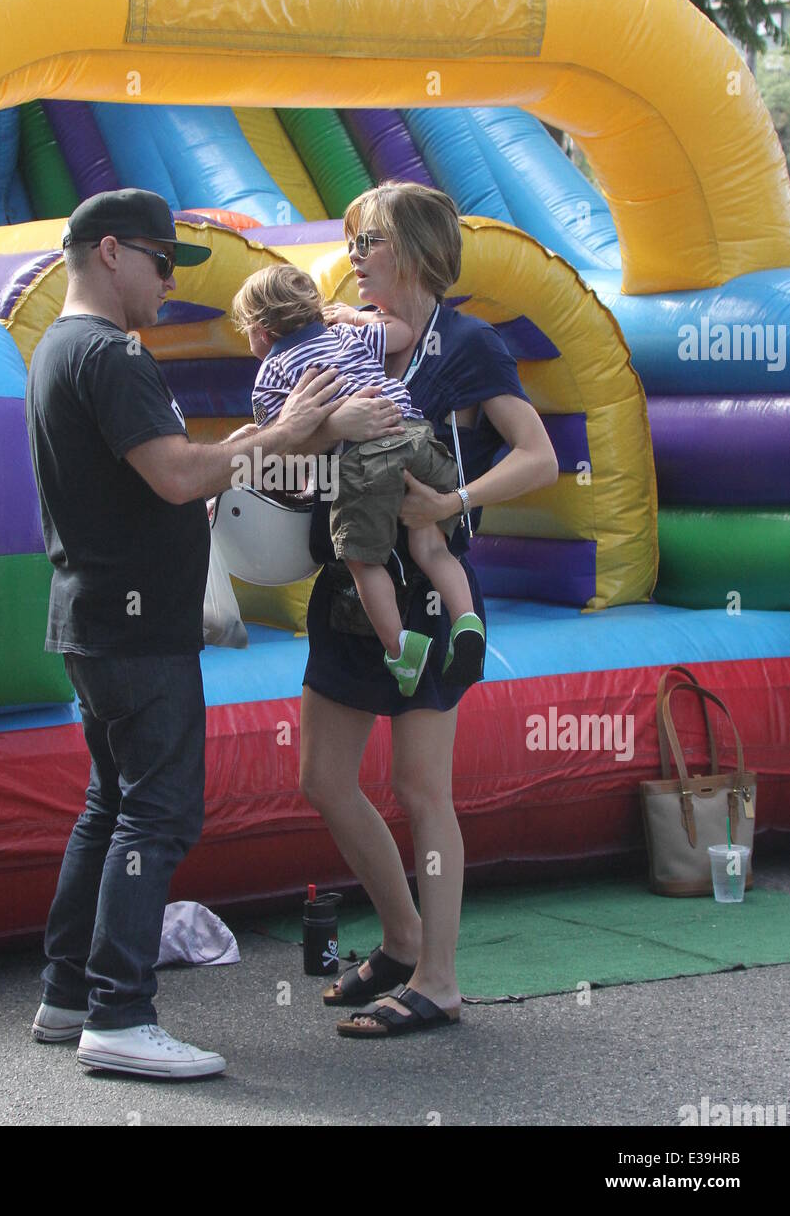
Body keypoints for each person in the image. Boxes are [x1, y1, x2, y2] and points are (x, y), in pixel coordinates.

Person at [24, 188, 401, 1078]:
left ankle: (68, 991)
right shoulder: (112, 352)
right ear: (111, 253)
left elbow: (162, 469)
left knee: (109, 806)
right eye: (161, 265)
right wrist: (286, 432)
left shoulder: (57, 347)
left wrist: (245, 445)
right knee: (156, 814)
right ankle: (118, 1014)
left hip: (89, 616)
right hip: (137, 626)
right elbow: (173, 475)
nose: (167, 285)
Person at [300, 182, 559, 1038]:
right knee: (324, 779)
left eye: (365, 241)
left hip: (424, 590)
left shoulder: (468, 342)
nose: (354, 257)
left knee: (420, 786)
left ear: (409, 247)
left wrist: (451, 506)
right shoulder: (351, 335)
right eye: (351, 242)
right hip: (348, 582)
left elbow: (537, 457)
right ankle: (403, 935)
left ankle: (440, 979)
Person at [231, 263, 485, 696]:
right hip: (416, 436)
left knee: (362, 559)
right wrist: (356, 316)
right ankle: (466, 621)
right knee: (431, 545)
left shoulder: (272, 373)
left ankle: (400, 646)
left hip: (363, 459)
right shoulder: (347, 335)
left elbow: (280, 441)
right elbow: (404, 333)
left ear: (261, 329)